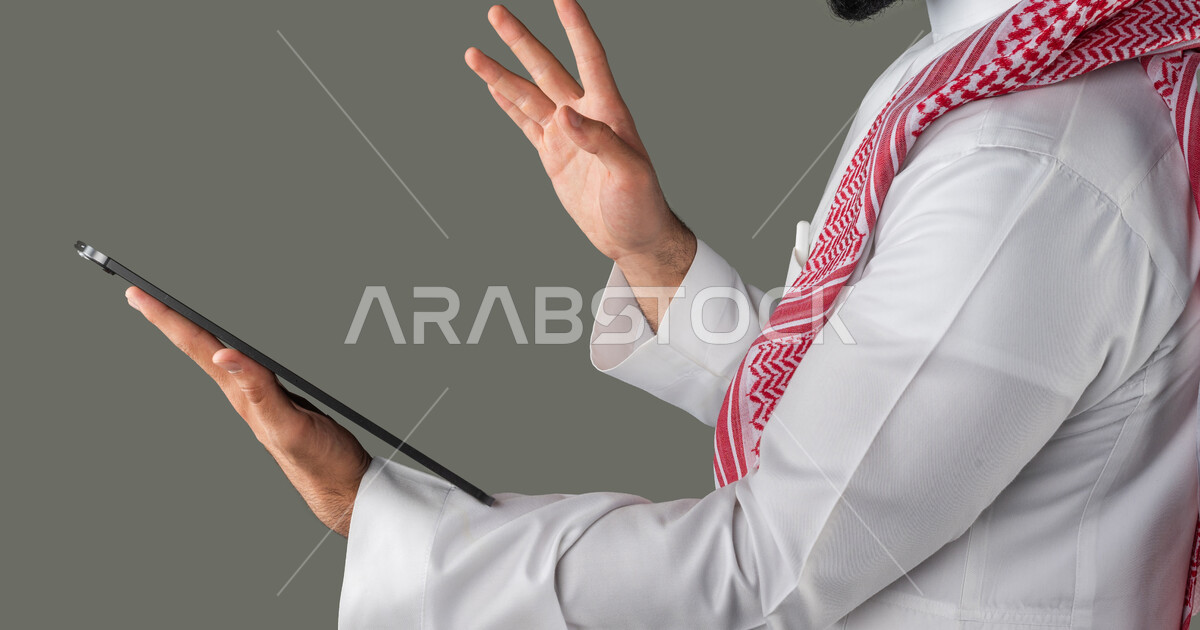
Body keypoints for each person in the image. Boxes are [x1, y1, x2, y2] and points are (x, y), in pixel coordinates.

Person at [123, 0, 1200, 627]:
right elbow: (857, 429)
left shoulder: (1027, 169)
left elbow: (775, 567)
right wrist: (655, 251)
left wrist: (390, 528)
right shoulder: (976, 90)